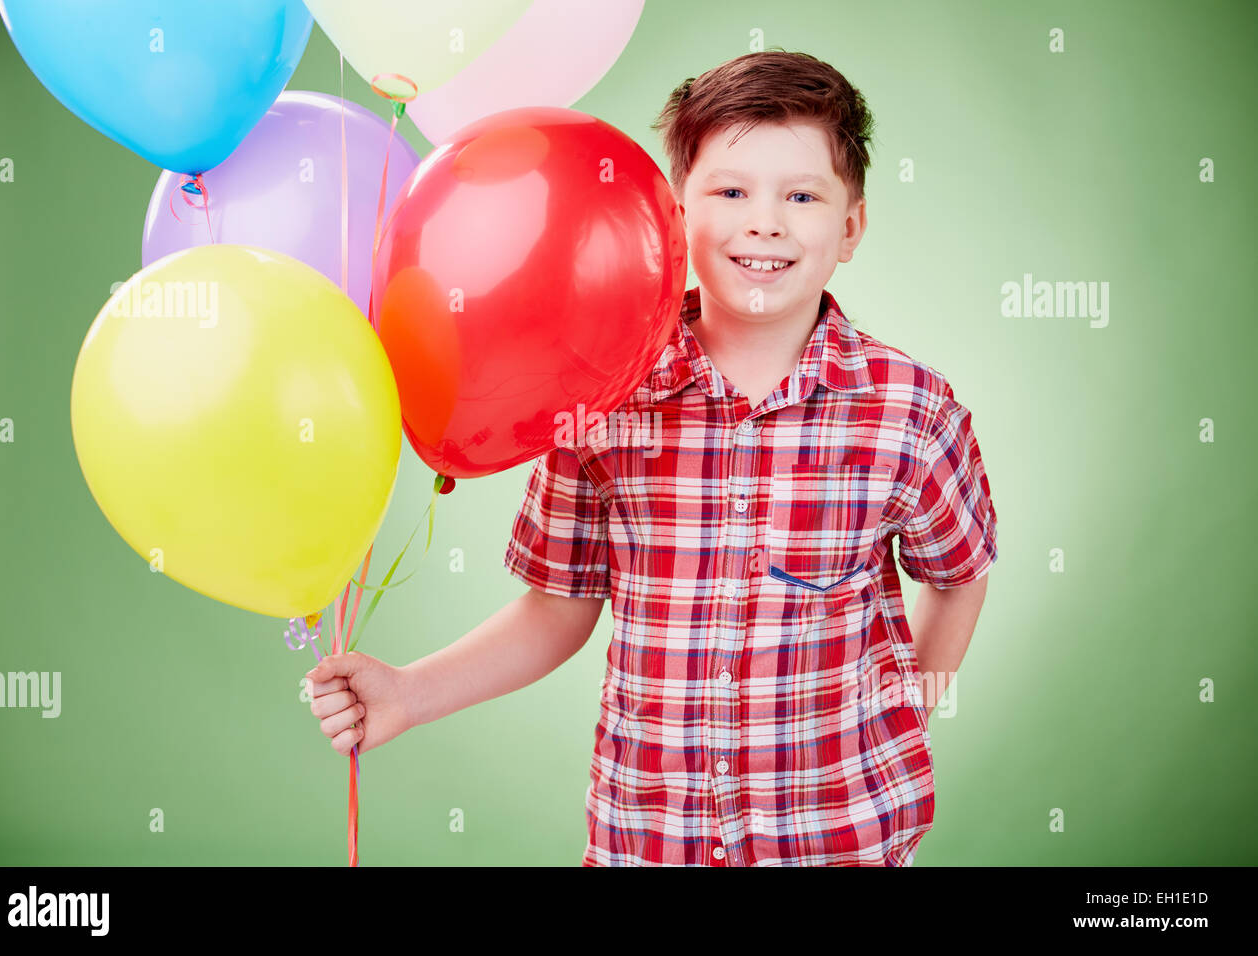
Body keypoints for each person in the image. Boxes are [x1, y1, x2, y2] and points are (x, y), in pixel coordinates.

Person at [305, 49, 999, 866]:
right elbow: (557, 607)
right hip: (650, 842)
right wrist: (411, 694)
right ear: (676, 213)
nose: (765, 222)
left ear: (849, 226)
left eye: (802, 196)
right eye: (731, 191)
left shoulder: (910, 411)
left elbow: (959, 576)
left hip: (843, 837)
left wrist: (905, 708)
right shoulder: (600, 391)